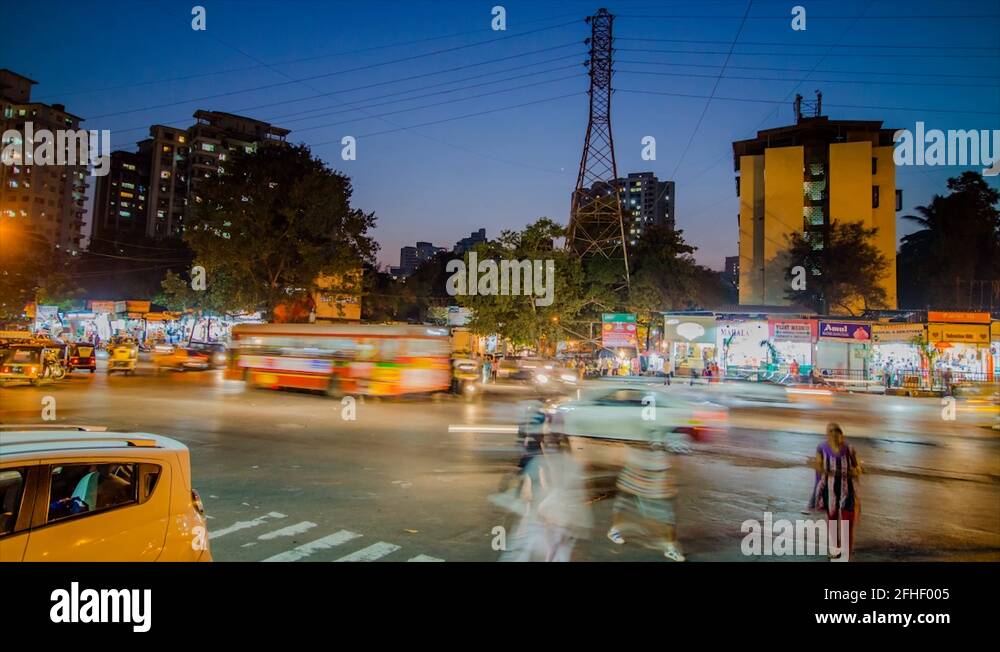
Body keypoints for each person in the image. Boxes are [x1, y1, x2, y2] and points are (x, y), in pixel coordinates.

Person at [607, 437, 685, 561]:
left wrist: (672, 472)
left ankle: (670, 548)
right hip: (635, 469)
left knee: (667, 514)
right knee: (624, 503)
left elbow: (676, 447)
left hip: (657, 472)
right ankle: (614, 530)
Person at [809, 422, 861, 560]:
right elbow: (818, 467)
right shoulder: (821, 448)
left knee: (846, 524)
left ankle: (845, 554)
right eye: (830, 433)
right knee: (832, 520)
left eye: (836, 433)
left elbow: (858, 467)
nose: (833, 436)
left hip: (847, 489)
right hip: (829, 489)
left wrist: (854, 471)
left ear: (841, 434)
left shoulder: (849, 449)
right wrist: (820, 469)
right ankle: (835, 550)